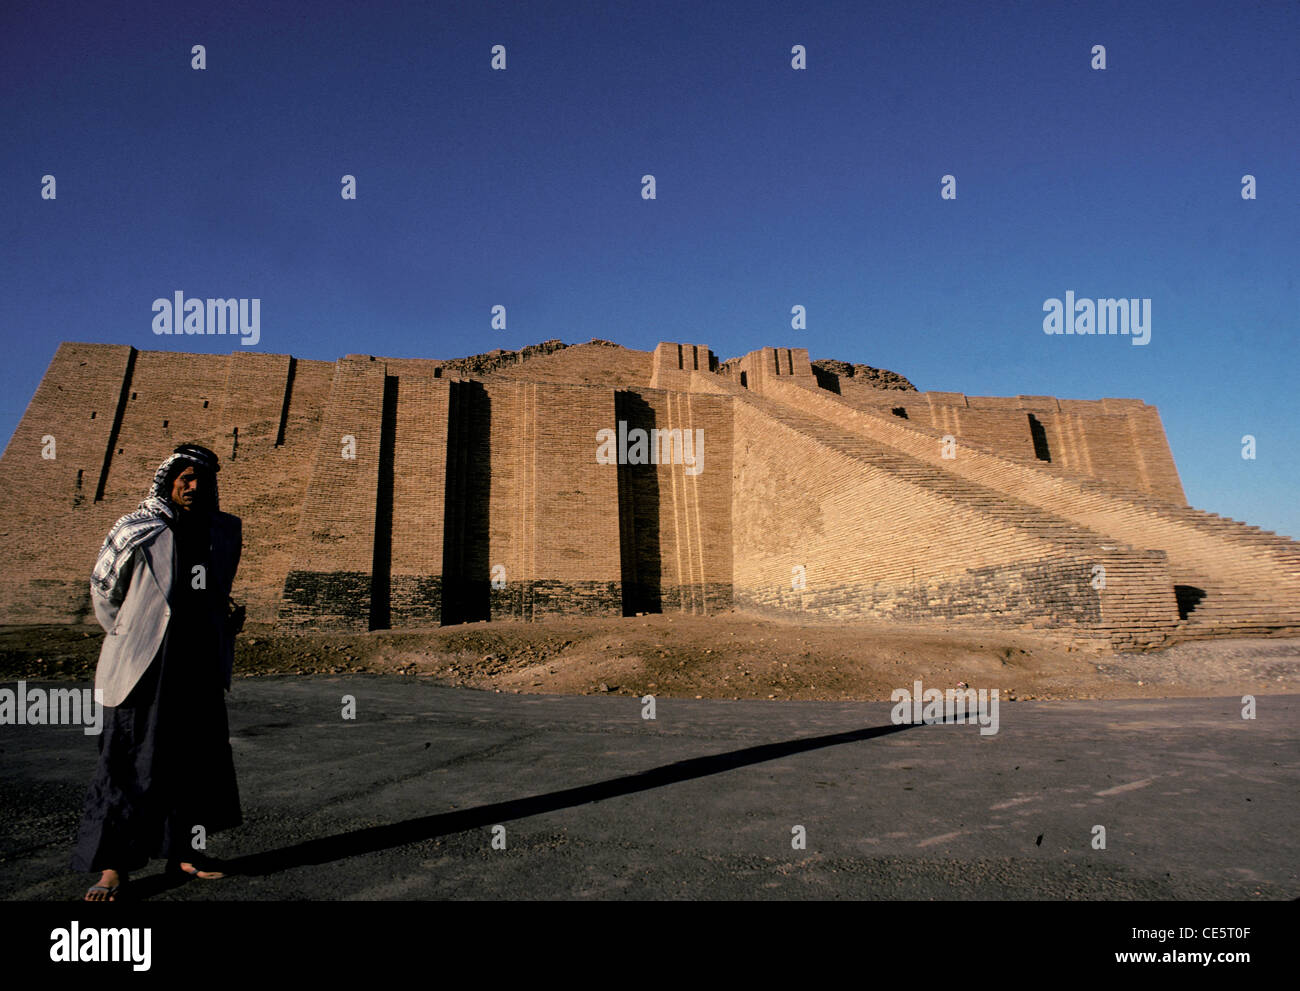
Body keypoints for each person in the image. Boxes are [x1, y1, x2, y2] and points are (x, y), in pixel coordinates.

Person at [74, 443, 244, 901]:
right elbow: (104, 589)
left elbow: (218, 588)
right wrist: (131, 632)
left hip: (199, 661)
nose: (193, 486)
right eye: (185, 477)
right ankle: (113, 868)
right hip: (145, 662)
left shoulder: (224, 530)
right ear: (168, 480)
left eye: (202, 479)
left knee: (195, 760)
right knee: (127, 760)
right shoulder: (137, 528)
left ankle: (187, 852)